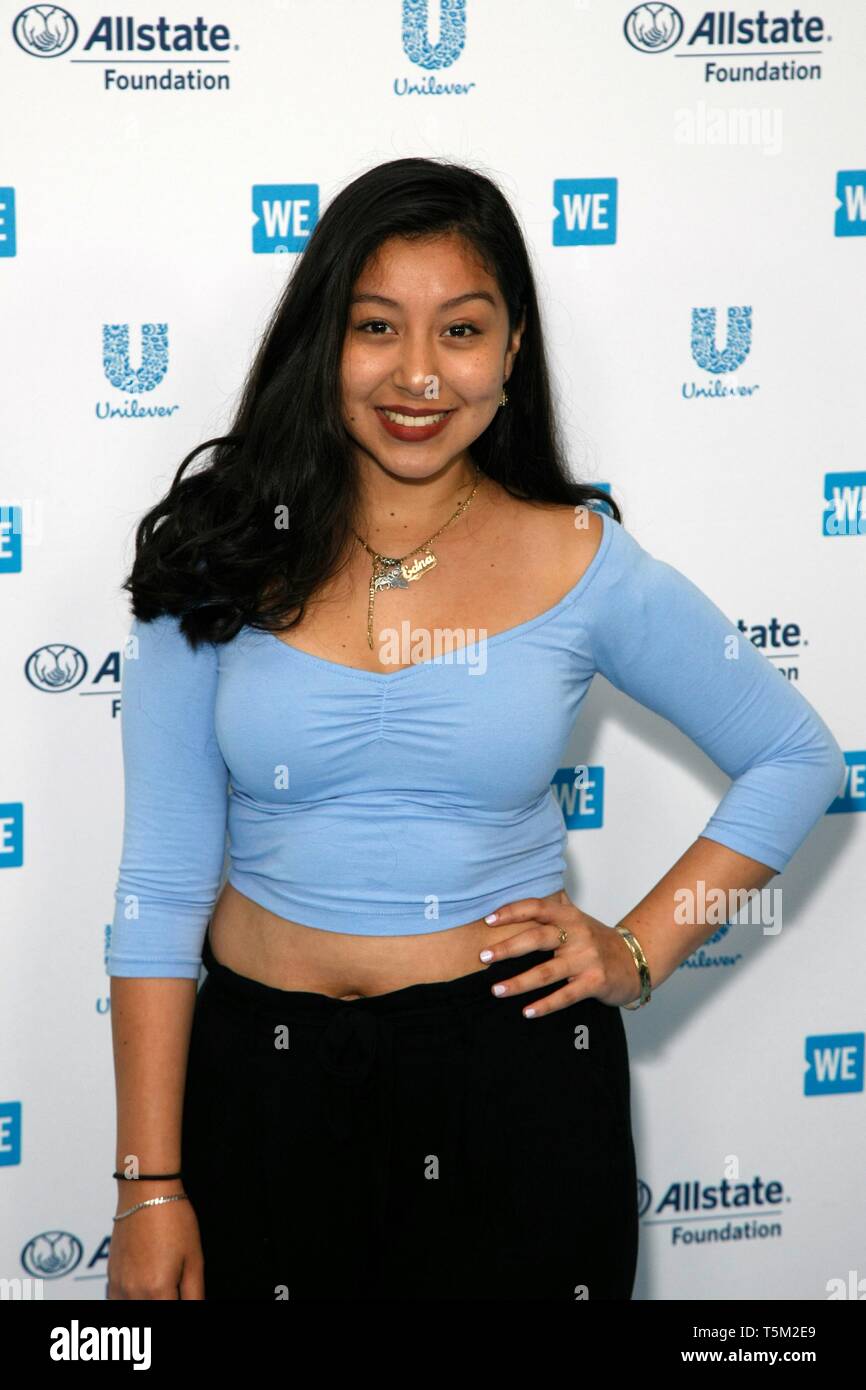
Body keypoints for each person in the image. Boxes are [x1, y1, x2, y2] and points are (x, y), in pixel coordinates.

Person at [105, 156, 846, 1302]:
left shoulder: (581, 560)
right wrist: (149, 1185)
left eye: (459, 330)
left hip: (512, 1086)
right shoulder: (219, 551)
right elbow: (159, 884)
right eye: (374, 327)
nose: (416, 374)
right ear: (324, 341)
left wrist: (637, 948)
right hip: (262, 1084)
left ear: (508, 354)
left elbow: (797, 756)